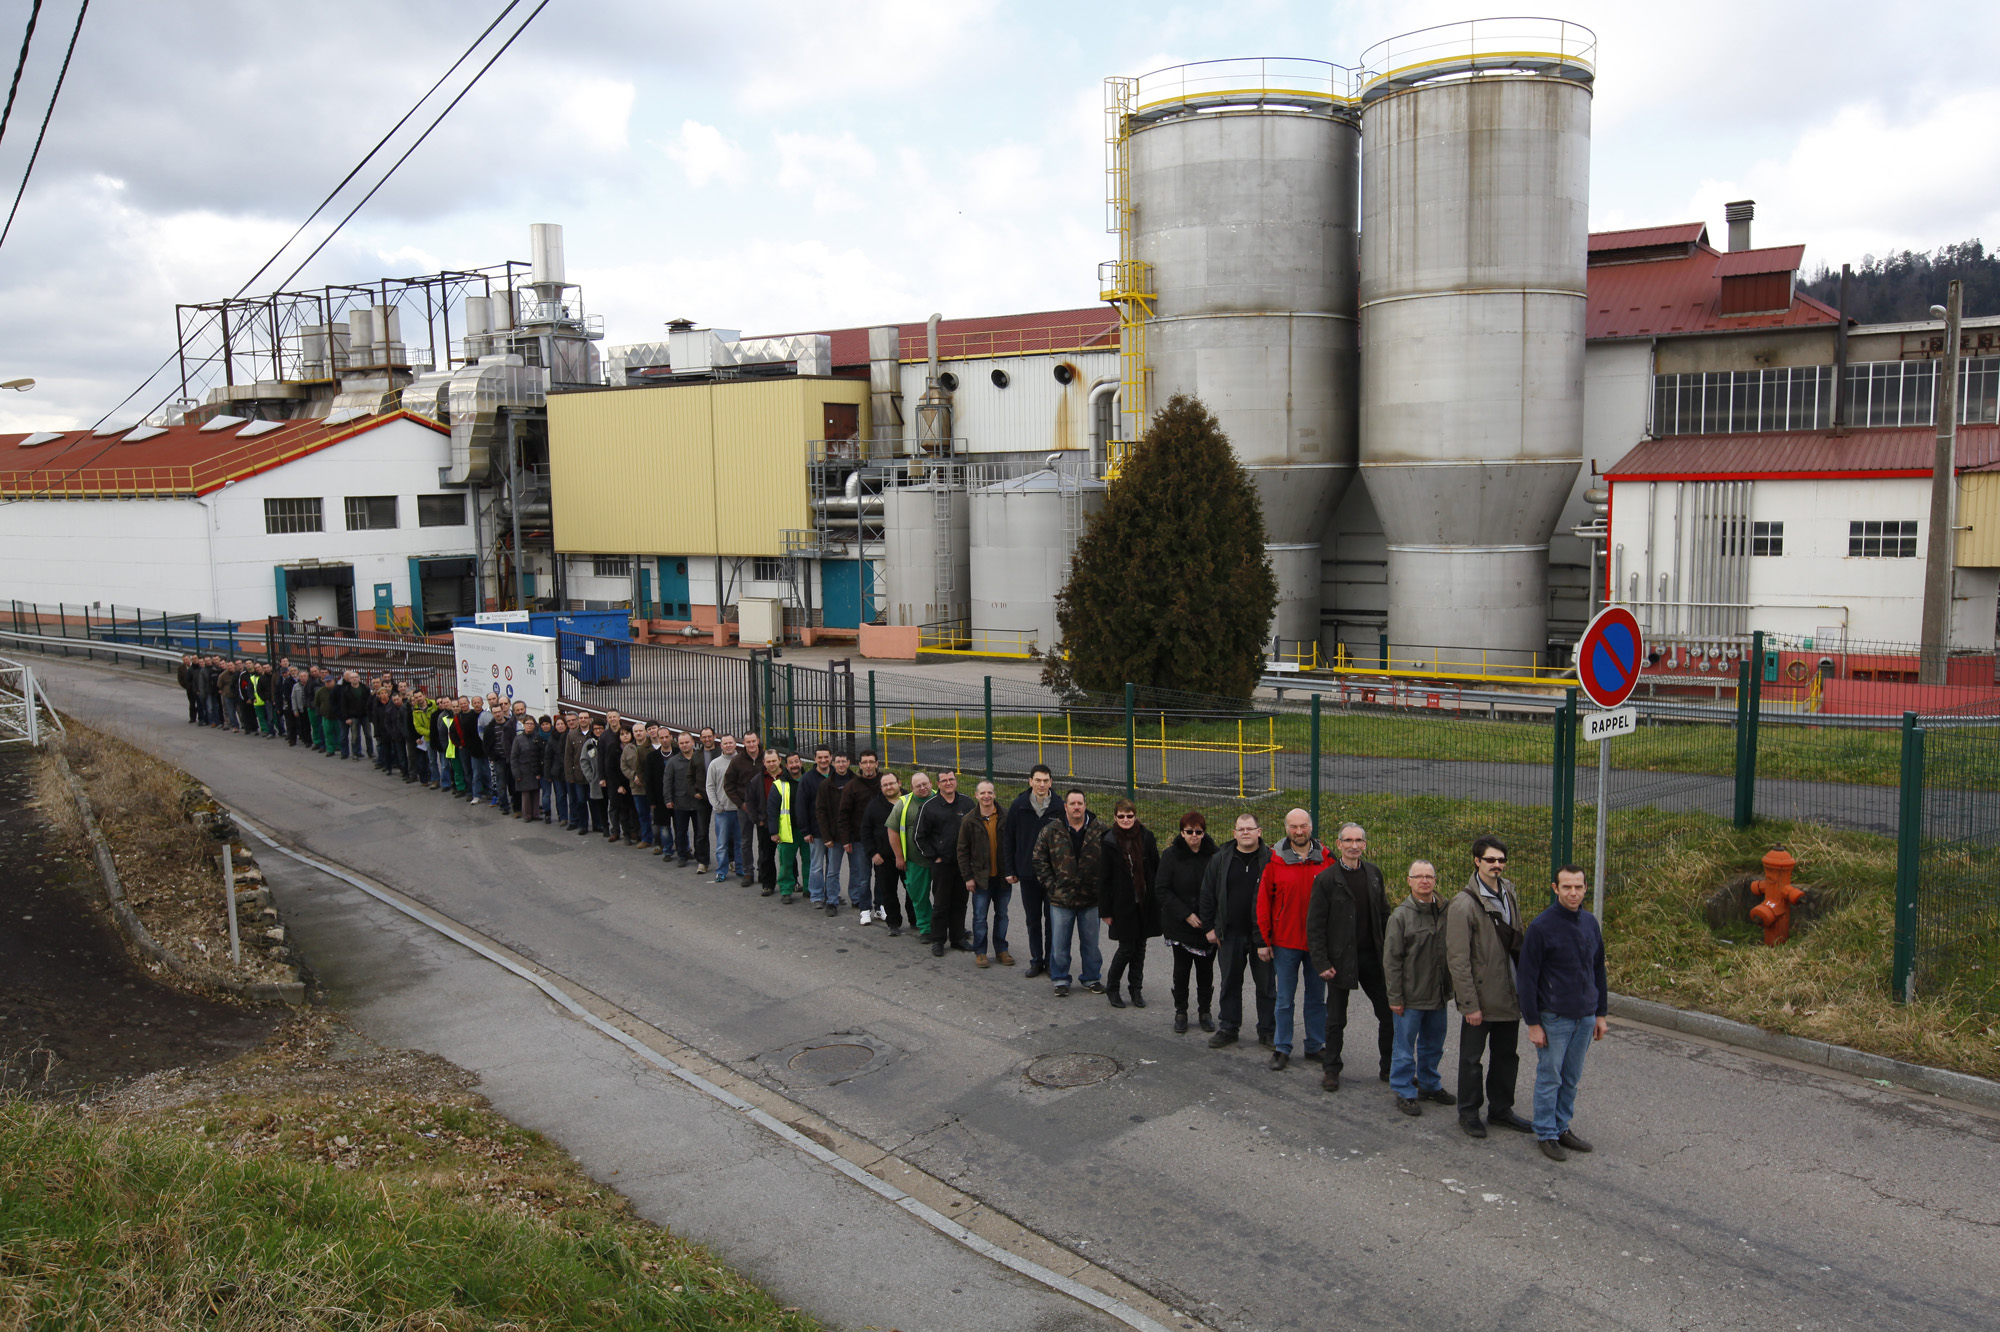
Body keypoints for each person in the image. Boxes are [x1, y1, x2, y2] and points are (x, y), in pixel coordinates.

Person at [1446, 835, 1534, 1139]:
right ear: (1476, 861)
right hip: (1481, 998)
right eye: (1490, 860)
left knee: (1506, 1055)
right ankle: (1468, 1112)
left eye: (1500, 860)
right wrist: (1469, 1004)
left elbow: (1517, 936)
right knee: (1472, 1059)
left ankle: (1501, 1109)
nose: (1496, 865)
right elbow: (1458, 960)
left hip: (1509, 992)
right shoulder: (1463, 905)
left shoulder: (1508, 890)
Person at [1519, 866, 1609, 1161]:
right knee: (1551, 1077)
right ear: (1555, 889)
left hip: (1584, 1016)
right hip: (1554, 1017)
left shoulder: (1589, 923)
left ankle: (1561, 1126)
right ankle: (1545, 1132)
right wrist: (1533, 1022)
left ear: (1585, 889)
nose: (1573, 893)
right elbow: (1527, 978)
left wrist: (1600, 1014)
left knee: (1571, 1077)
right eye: (1567, 887)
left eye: (1578, 887)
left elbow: (1597, 969)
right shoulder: (1541, 927)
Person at [1313, 822, 1394, 1092]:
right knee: (1336, 1018)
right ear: (1339, 845)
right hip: (1339, 960)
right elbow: (1315, 925)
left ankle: (1389, 1067)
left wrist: (1389, 953)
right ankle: (1332, 1069)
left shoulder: (1373, 874)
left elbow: (1384, 914)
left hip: (1372, 958)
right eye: (1348, 841)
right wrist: (1322, 962)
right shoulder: (1326, 879)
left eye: (1358, 840)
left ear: (1365, 845)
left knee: (1389, 1013)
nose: (1354, 846)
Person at [1256, 808, 1327, 1072]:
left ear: (1311, 827)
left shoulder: (1326, 859)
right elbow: (1263, 903)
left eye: (1304, 826)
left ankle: (1315, 1045)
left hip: (1317, 944)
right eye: (1294, 827)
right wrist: (1264, 940)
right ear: (1286, 829)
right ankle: (1282, 1047)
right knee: (1284, 999)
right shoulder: (1274, 862)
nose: (1299, 831)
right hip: (1285, 943)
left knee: (1317, 998)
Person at [1384, 859, 1455, 1116]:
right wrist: (1395, 997)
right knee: (1404, 1047)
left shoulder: (1447, 910)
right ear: (1409, 881)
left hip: (1438, 994)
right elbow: (1391, 960)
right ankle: (1404, 1090)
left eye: (1429, 876)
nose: (1424, 881)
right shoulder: (1400, 916)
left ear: (1435, 881)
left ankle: (1429, 1083)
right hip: (1410, 996)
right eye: (1419, 876)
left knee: (1434, 1044)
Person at [1031, 790, 1106, 998]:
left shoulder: (1099, 829)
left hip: (1090, 898)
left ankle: (1091, 978)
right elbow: (1038, 859)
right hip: (1061, 899)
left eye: (1080, 803)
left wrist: (1101, 886)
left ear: (1085, 804)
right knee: (1060, 943)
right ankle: (1061, 979)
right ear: (1065, 806)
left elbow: (1110, 860)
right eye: (1072, 803)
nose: (1076, 807)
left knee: (1091, 943)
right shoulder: (1051, 830)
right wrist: (1051, 885)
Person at [1155, 811, 1218, 1035]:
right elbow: (1162, 889)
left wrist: (1208, 920)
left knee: (1205, 971)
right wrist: (1186, 914)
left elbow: (1218, 890)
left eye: (1198, 832)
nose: (1193, 836)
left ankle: (1205, 1012)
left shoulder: (1214, 855)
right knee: (1181, 970)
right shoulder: (1171, 856)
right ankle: (1180, 1011)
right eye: (1189, 832)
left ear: (1204, 832)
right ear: (1182, 833)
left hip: (1206, 925)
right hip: (1179, 925)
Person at [1099, 798, 1160, 1009]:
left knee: (1140, 948)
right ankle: (1113, 988)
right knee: (1126, 948)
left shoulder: (1147, 837)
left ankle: (1136, 990)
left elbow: (1156, 868)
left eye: (1130, 816)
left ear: (1135, 816)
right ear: (1115, 818)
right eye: (1121, 816)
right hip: (1121, 905)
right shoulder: (1108, 841)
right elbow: (1103, 879)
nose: (1126, 820)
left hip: (1143, 903)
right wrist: (1105, 911)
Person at [1003, 765, 1061, 978]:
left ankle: (1052, 962)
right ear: (1030, 781)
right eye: (1038, 780)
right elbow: (1008, 839)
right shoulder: (1018, 806)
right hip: (1027, 874)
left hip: (1053, 876)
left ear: (1051, 782)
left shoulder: (1059, 806)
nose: (1042, 784)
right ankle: (1037, 961)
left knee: (1052, 921)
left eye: (1045, 780)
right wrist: (1010, 869)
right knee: (1033, 920)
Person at [914, 770, 975, 955]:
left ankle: (957, 938)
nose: (948, 783)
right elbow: (919, 836)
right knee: (941, 903)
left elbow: (975, 830)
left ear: (956, 781)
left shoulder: (967, 803)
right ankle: (938, 940)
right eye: (944, 780)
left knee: (960, 902)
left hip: (963, 864)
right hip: (942, 864)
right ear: (938, 784)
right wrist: (934, 857)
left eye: (951, 779)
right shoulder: (929, 807)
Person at [954, 779, 1012, 968]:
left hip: (1003, 878)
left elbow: (1013, 845)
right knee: (980, 917)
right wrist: (968, 877)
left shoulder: (1006, 816)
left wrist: (1013, 871)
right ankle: (980, 952)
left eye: (990, 792)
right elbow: (962, 851)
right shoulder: (969, 820)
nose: (986, 796)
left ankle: (1002, 950)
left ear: (995, 795)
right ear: (976, 795)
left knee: (1002, 915)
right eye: (983, 793)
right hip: (980, 879)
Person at [836, 751, 880, 922]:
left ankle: (880, 907)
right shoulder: (851, 786)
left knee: (882, 876)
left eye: (871, 762)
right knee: (863, 876)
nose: (868, 766)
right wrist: (846, 839)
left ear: (877, 763)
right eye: (864, 762)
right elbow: (843, 815)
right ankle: (865, 909)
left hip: (881, 838)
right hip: (860, 839)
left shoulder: (884, 782)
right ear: (859, 765)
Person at [889, 772, 933, 941]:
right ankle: (925, 928)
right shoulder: (903, 804)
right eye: (918, 786)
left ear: (930, 783)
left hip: (940, 860)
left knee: (946, 896)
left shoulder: (940, 798)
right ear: (911, 787)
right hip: (915, 860)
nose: (922, 788)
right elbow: (892, 830)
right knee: (919, 897)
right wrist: (899, 857)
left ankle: (948, 926)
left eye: (925, 784)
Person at [864, 769, 906, 937]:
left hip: (909, 856)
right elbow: (865, 831)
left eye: (892, 783)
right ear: (880, 787)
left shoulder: (909, 800)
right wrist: (873, 853)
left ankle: (917, 920)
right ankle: (893, 923)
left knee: (913, 891)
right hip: (884, 858)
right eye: (885, 785)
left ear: (899, 783)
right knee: (888, 893)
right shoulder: (874, 805)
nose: (889, 787)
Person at [725, 732, 764, 887]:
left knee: (764, 841)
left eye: (753, 741)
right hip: (745, 808)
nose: (751, 745)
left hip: (763, 808)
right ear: (744, 743)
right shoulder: (737, 761)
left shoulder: (765, 758)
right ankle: (748, 872)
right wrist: (740, 804)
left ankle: (763, 870)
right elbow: (728, 785)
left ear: (758, 741)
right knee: (745, 841)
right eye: (748, 742)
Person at [800, 745, 836, 907]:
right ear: (815, 759)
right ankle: (816, 896)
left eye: (826, 757)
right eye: (820, 757)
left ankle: (831, 894)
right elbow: (801, 806)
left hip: (835, 831)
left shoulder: (838, 775)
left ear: (831, 757)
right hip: (816, 831)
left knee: (833, 867)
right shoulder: (807, 779)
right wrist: (805, 831)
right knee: (816, 866)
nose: (823, 760)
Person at [664, 731, 705, 870]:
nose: (684, 745)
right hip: (680, 802)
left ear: (693, 742)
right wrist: (668, 799)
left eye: (687, 742)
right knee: (681, 831)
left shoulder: (701, 758)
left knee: (700, 831)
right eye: (681, 743)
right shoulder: (673, 761)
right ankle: (682, 854)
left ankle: (701, 856)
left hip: (698, 802)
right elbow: (667, 781)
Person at [708, 733, 743, 881]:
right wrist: (716, 805)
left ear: (735, 744)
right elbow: (710, 786)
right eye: (725, 743)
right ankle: (721, 871)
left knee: (741, 843)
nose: (728, 746)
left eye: (731, 743)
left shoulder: (742, 761)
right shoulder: (715, 764)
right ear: (720, 746)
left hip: (740, 810)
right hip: (722, 811)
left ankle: (741, 869)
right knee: (722, 843)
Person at [511, 715, 546, 820]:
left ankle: (536, 814)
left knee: (536, 792)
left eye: (531, 724)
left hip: (535, 770)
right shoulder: (518, 739)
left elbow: (541, 754)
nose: (529, 726)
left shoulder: (537, 737)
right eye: (527, 724)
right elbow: (514, 757)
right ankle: (527, 815)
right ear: (524, 725)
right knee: (526, 794)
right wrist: (516, 773)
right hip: (523, 770)